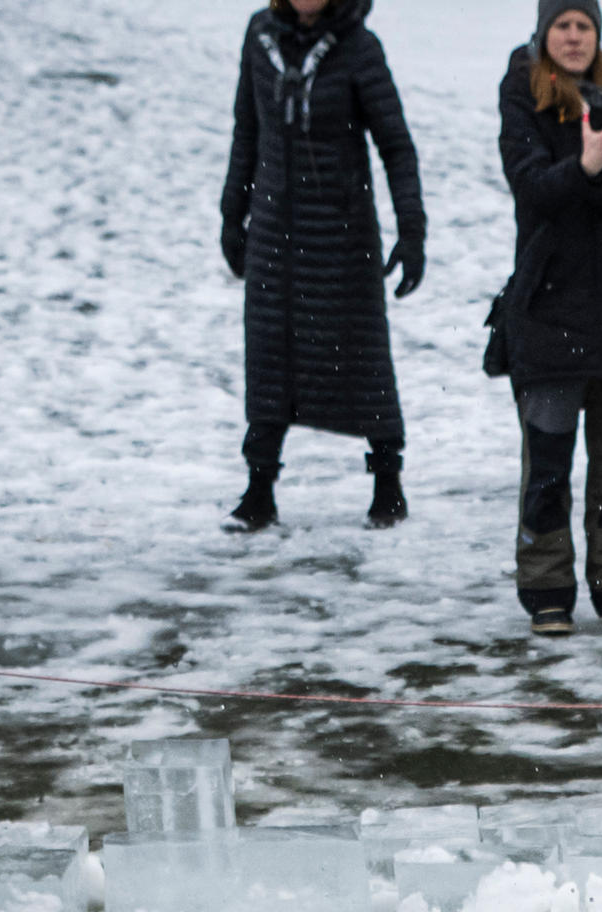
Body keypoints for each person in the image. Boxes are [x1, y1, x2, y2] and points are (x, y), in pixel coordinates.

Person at [493, 5, 602, 634]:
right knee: (548, 463)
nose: (573, 37)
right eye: (562, 26)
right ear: (545, 35)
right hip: (547, 314)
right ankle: (546, 588)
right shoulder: (522, 97)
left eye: (583, 27)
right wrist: (592, 169)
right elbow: (533, 187)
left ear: (597, 37)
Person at [222, 0, 425, 536]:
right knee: (270, 356)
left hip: (341, 232)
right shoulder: (258, 36)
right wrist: (232, 216)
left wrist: (412, 231)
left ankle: (388, 483)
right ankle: (259, 490)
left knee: (360, 357)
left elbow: (396, 146)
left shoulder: (359, 47)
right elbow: (248, 129)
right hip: (274, 232)